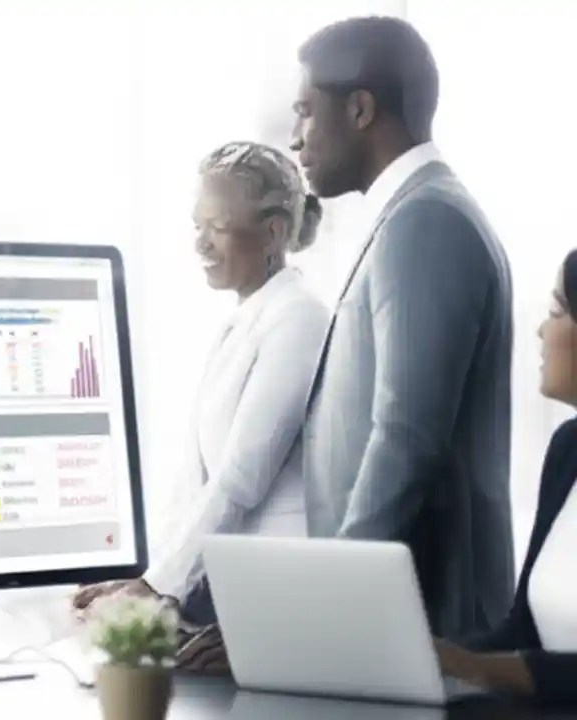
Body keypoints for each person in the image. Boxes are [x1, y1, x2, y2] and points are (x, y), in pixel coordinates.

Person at [177, 16, 516, 674]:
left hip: (431, 628)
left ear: (360, 108)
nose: (296, 138)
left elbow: (405, 440)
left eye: (306, 112)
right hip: (402, 625)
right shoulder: (409, 216)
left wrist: (315, 616)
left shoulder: (427, 221)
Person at [72, 142, 328, 625]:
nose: (200, 244)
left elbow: (240, 478)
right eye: (198, 226)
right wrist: (148, 578)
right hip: (229, 590)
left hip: (281, 602)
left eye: (218, 227)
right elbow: (194, 483)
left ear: (272, 233)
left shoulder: (299, 320)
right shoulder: (248, 320)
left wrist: (157, 587)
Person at [435, 250, 577, 704]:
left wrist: (480, 668)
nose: (541, 330)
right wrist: (425, 655)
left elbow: (509, 664)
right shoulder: (567, 449)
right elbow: (522, 631)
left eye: (556, 311)